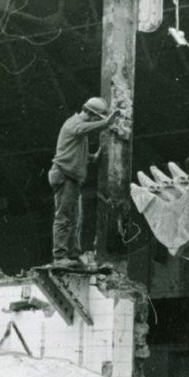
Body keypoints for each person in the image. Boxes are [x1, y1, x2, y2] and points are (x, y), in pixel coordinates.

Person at [48, 96, 119, 268]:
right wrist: (106, 123)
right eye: (96, 118)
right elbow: (83, 129)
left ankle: (72, 254)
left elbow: (73, 151)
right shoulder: (74, 123)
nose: (96, 121)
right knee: (64, 217)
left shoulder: (77, 127)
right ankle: (60, 256)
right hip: (65, 176)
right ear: (89, 113)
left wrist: (92, 157)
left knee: (74, 218)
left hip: (71, 178)